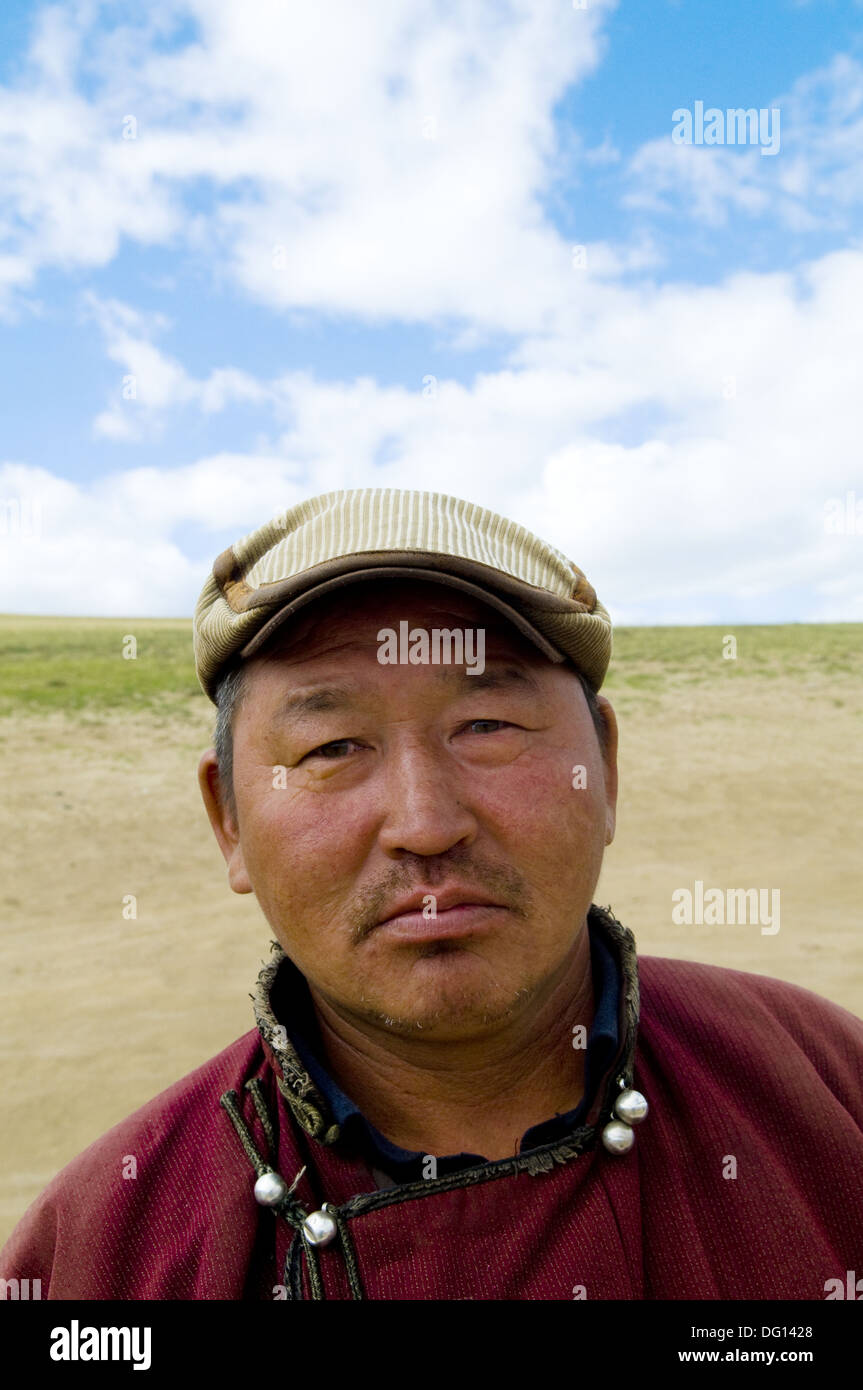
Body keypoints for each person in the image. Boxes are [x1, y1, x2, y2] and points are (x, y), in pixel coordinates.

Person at [2, 487, 861, 1301]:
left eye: (486, 727)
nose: (423, 822)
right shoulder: (95, 1257)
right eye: (332, 746)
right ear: (228, 819)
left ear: (601, 768)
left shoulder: (829, 1091)